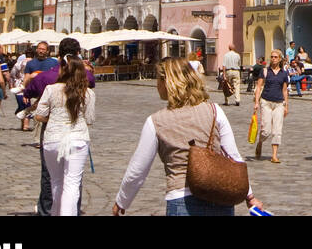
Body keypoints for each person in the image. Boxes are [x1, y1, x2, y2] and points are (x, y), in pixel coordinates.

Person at [113, 57, 264, 216]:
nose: (157, 85)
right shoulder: (214, 111)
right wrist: (250, 197)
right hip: (220, 197)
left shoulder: (155, 122)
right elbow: (233, 156)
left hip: (182, 200)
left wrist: (122, 201)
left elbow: (138, 170)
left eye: (158, 79)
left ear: (167, 82)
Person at [24, 37, 97, 217]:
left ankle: (51, 212)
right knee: (72, 183)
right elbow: (89, 119)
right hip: (77, 137)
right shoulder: (87, 91)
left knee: (54, 181)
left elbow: (38, 114)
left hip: (52, 137)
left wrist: (54, 117)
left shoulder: (50, 86)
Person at [254, 49, 290, 163]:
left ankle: (274, 155)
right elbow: (259, 87)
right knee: (266, 130)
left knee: (277, 130)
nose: (273, 59)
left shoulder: (284, 74)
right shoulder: (265, 71)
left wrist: (286, 105)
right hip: (266, 102)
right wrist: (256, 102)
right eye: (272, 57)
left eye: (275, 57)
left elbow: (285, 90)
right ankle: (260, 142)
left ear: (280, 59)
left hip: (279, 103)